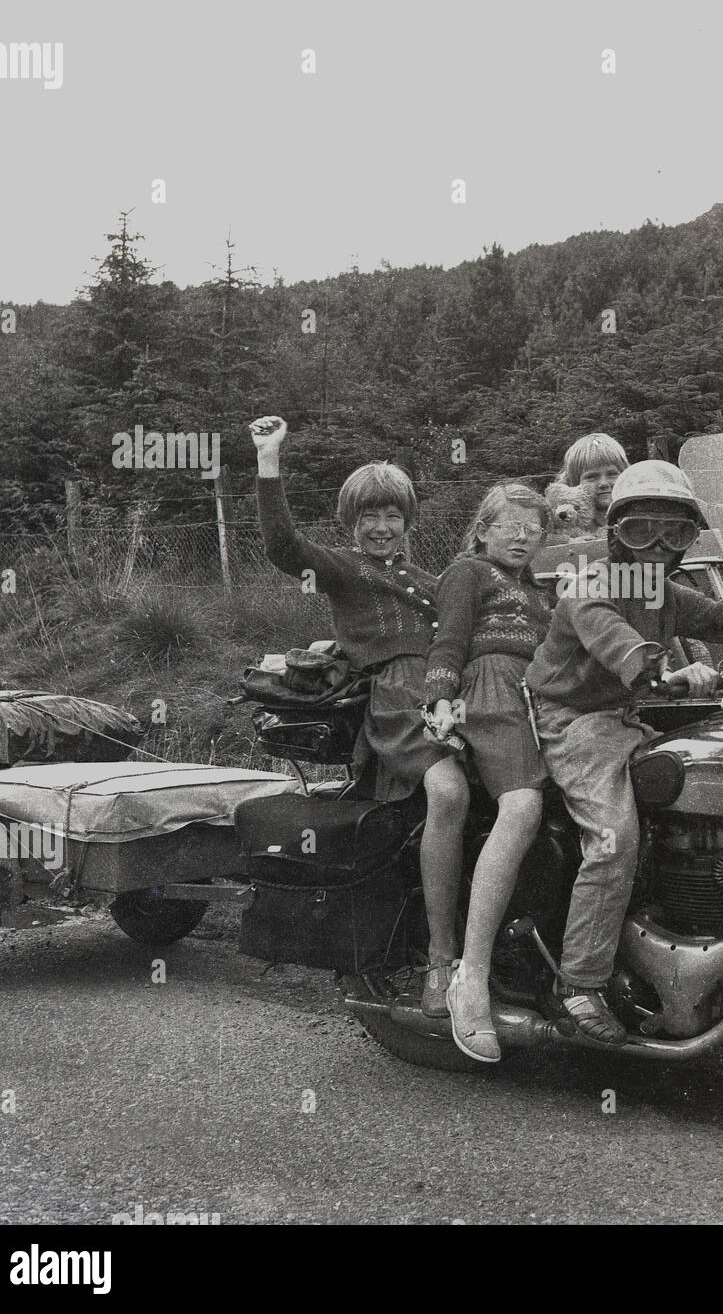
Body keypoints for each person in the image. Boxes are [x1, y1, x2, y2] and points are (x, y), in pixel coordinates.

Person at [524, 460, 723, 1044]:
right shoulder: (592, 583)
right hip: (574, 719)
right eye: (642, 531)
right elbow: (611, 634)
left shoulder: (662, 591)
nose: (658, 546)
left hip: (627, 717)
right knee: (613, 839)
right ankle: (578, 984)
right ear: (615, 534)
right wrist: (663, 673)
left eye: (675, 533)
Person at [250, 416, 468, 1017]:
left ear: (408, 521)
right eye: (368, 517)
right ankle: (440, 960)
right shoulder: (344, 569)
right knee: (447, 791)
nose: (380, 527)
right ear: (350, 524)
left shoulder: (431, 580)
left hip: (461, 694)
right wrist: (269, 462)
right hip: (402, 703)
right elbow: (283, 548)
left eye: (391, 515)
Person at [422, 483, 555, 1062]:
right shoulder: (469, 572)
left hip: (538, 701)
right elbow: (448, 642)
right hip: (490, 690)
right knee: (522, 803)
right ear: (484, 530)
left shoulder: (539, 592)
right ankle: (467, 976)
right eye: (511, 525)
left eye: (534, 528)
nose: (524, 536)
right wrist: (441, 702)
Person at [553, 432, 628, 533]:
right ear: (574, 483)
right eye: (591, 477)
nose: (603, 483)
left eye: (612, 474)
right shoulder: (567, 521)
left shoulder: (638, 512)